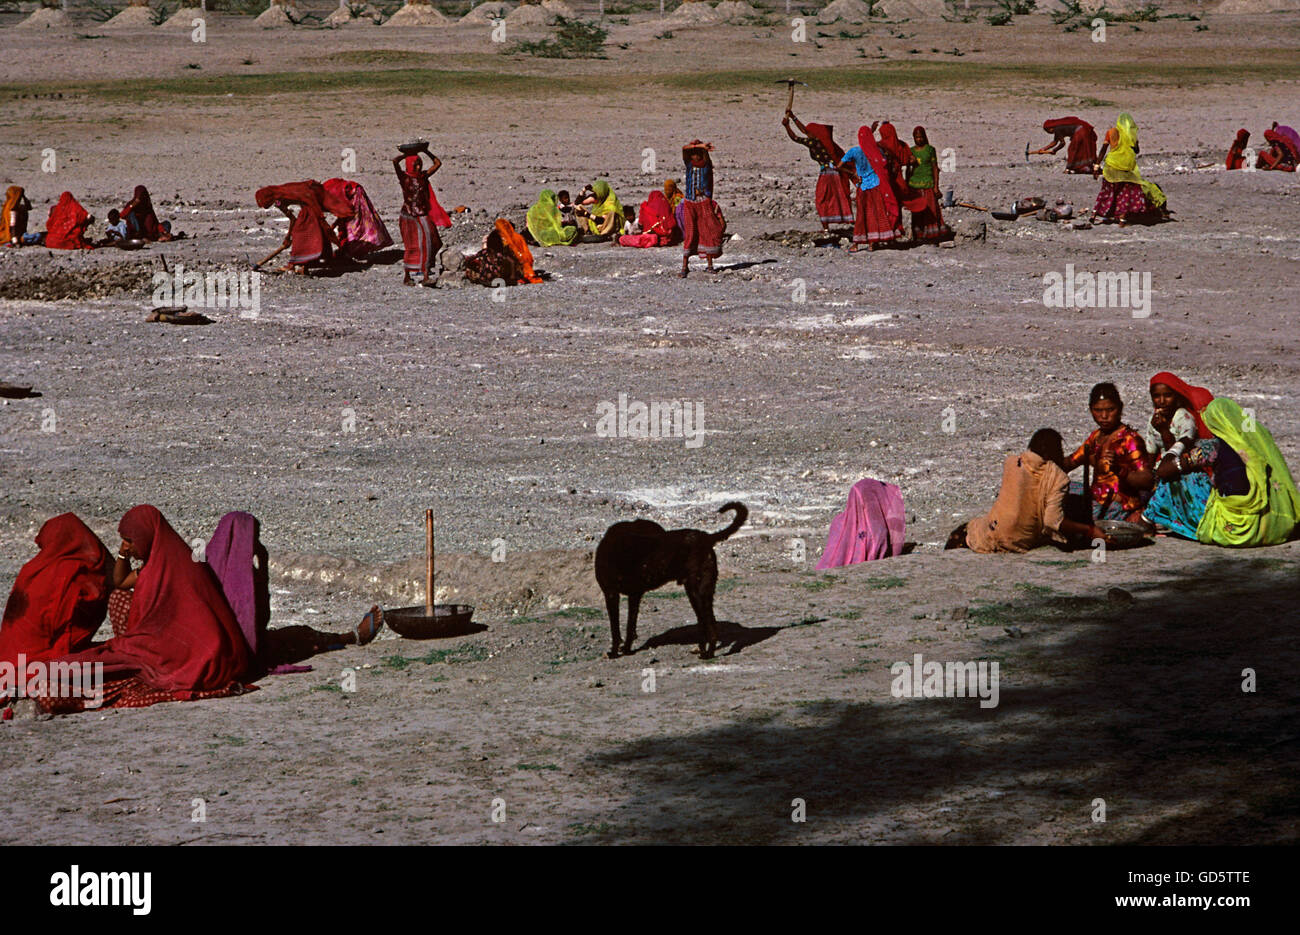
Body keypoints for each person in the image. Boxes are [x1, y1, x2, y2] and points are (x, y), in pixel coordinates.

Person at [33, 505, 251, 712]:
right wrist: (122, 554)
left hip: (187, 653)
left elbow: (187, 622)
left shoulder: (178, 567)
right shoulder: (155, 564)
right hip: (159, 643)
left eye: (130, 541)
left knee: (91, 667)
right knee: (118, 601)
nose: (127, 546)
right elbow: (120, 582)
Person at [948, 429, 1110, 552]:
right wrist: (1090, 530)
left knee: (971, 529)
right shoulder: (1058, 478)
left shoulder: (1012, 463)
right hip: (1018, 540)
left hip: (993, 531)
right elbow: (1052, 522)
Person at [0, 514, 111, 673]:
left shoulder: (31, 570)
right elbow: (70, 626)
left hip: (9, 657)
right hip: (41, 661)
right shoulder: (69, 572)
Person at [1190, 398, 1300, 547]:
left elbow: (1174, 466)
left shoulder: (1214, 447)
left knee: (1187, 481)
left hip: (1234, 531)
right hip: (1271, 526)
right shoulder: (1257, 439)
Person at [1061, 382, 1152, 522]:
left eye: (1110, 410)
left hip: (1118, 505)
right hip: (1096, 498)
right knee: (1061, 488)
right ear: (1091, 410)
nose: (1104, 416)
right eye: (1098, 410)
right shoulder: (1096, 437)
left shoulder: (1129, 440)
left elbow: (1147, 480)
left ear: (1120, 409)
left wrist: (1119, 469)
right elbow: (1071, 462)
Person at [254, 180, 352, 274]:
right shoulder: (278, 200)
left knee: (302, 230)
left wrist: (291, 235)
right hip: (307, 199)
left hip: (310, 196)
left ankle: (297, 263)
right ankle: (319, 258)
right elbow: (292, 219)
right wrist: (288, 237)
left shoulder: (281, 196)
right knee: (309, 228)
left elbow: (298, 215)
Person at [781, 110, 854, 230]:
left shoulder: (814, 142)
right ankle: (845, 221)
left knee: (822, 199)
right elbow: (804, 130)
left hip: (827, 175)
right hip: (834, 173)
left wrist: (787, 126)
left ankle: (826, 228)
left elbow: (795, 137)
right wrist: (793, 117)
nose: (807, 133)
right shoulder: (824, 142)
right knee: (836, 197)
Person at [1091, 113, 1168, 226]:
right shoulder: (1130, 136)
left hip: (1111, 165)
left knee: (1107, 191)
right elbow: (1136, 150)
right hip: (1125, 167)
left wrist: (1096, 165)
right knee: (1125, 194)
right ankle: (1122, 220)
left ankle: (1094, 215)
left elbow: (1103, 150)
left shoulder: (1111, 132)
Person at [838, 126, 903, 253]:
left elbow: (838, 166)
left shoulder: (854, 151)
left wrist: (854, 174)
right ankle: (872, 243)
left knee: (862, 215)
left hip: (863, 187)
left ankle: (857, 244)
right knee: (875, 214)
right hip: (876, 186)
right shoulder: (876, 151)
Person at [392, 145, 449, 286]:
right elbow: (394, 161)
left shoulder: (423, 176)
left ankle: (425, 272)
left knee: (432, 241)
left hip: (421, 214)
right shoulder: (404, 177)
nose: (418, 167)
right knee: (412, 245)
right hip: (409, 215)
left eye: (419, 164)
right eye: (415, 164)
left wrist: (425, 151)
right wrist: (408, 154)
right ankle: (411, 275)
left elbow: (438, 163)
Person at [679, 140, 726, 277]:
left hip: (703, 202)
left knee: (706, 232)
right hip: (690, 202)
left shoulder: (706, 166)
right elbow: (684, 148)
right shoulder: (689, 165)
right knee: (690, 232)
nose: (695, 157)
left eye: (698, 154)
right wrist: (699, 146)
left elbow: (706, 159)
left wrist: (703, 149)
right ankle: (684, 266)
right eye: (693, 154)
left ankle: (710, 265)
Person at [904, 126, 953, 244]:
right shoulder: (911, 151)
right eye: (916, 137)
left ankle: (931, 237)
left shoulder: (930, 150)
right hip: (914, 186)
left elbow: (935, 168)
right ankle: (918, 236)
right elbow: (908, 170)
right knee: (917, 212)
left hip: (928, 184)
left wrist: (936, 186)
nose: (919, 139)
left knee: (930, 210)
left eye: (921, 137)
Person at [323, 177, 393, 259]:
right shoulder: (325, 191)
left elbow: (344, 211)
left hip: (355, 194)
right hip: (352, 193)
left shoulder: (327, 194)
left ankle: (353, 250)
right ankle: (351, 250)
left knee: (354, 227)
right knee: (349, 224)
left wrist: (332, 227)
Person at [463, 218, 542, 287]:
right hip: (500, 276)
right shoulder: (511, 241)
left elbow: (471, 259)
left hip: (484, 278)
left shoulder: (485, 251)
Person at [1032, 117, 1098, 174]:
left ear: (1050, 128)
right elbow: (1055, 142)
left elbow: (1062, 143)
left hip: (1080, 130)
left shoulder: (1057, 129)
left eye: (1048, 131)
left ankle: (1069, 168)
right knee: (1083, 149)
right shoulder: (1057, 128)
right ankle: (1085, 166)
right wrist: (1044, 149)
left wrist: (1054, 150)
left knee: (1073, 149)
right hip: (1083, 129)